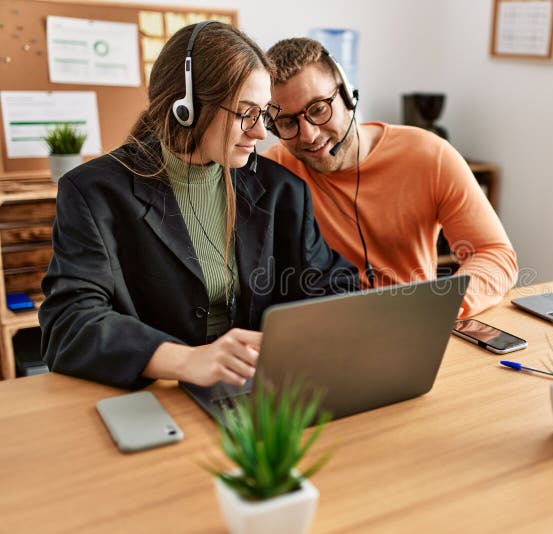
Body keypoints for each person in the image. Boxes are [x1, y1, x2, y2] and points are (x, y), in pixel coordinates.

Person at [39, 22, 357, 390]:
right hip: (156, 390)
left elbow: (334, 284)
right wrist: (185, 360)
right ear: (186, 109)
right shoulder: (94, 192)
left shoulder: (281, 190)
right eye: (245, 113)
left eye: (263, 113)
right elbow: (69, 324)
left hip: (259, 387)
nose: (259, 133)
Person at [263, 38, 518, 318]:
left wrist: (442, 306)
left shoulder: (430, 155)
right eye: (287, 122)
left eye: (318, 109)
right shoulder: (272, 171)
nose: (309, 135)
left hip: (415, 321)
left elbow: (494, 254)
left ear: (347, 94)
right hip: (326, 328)